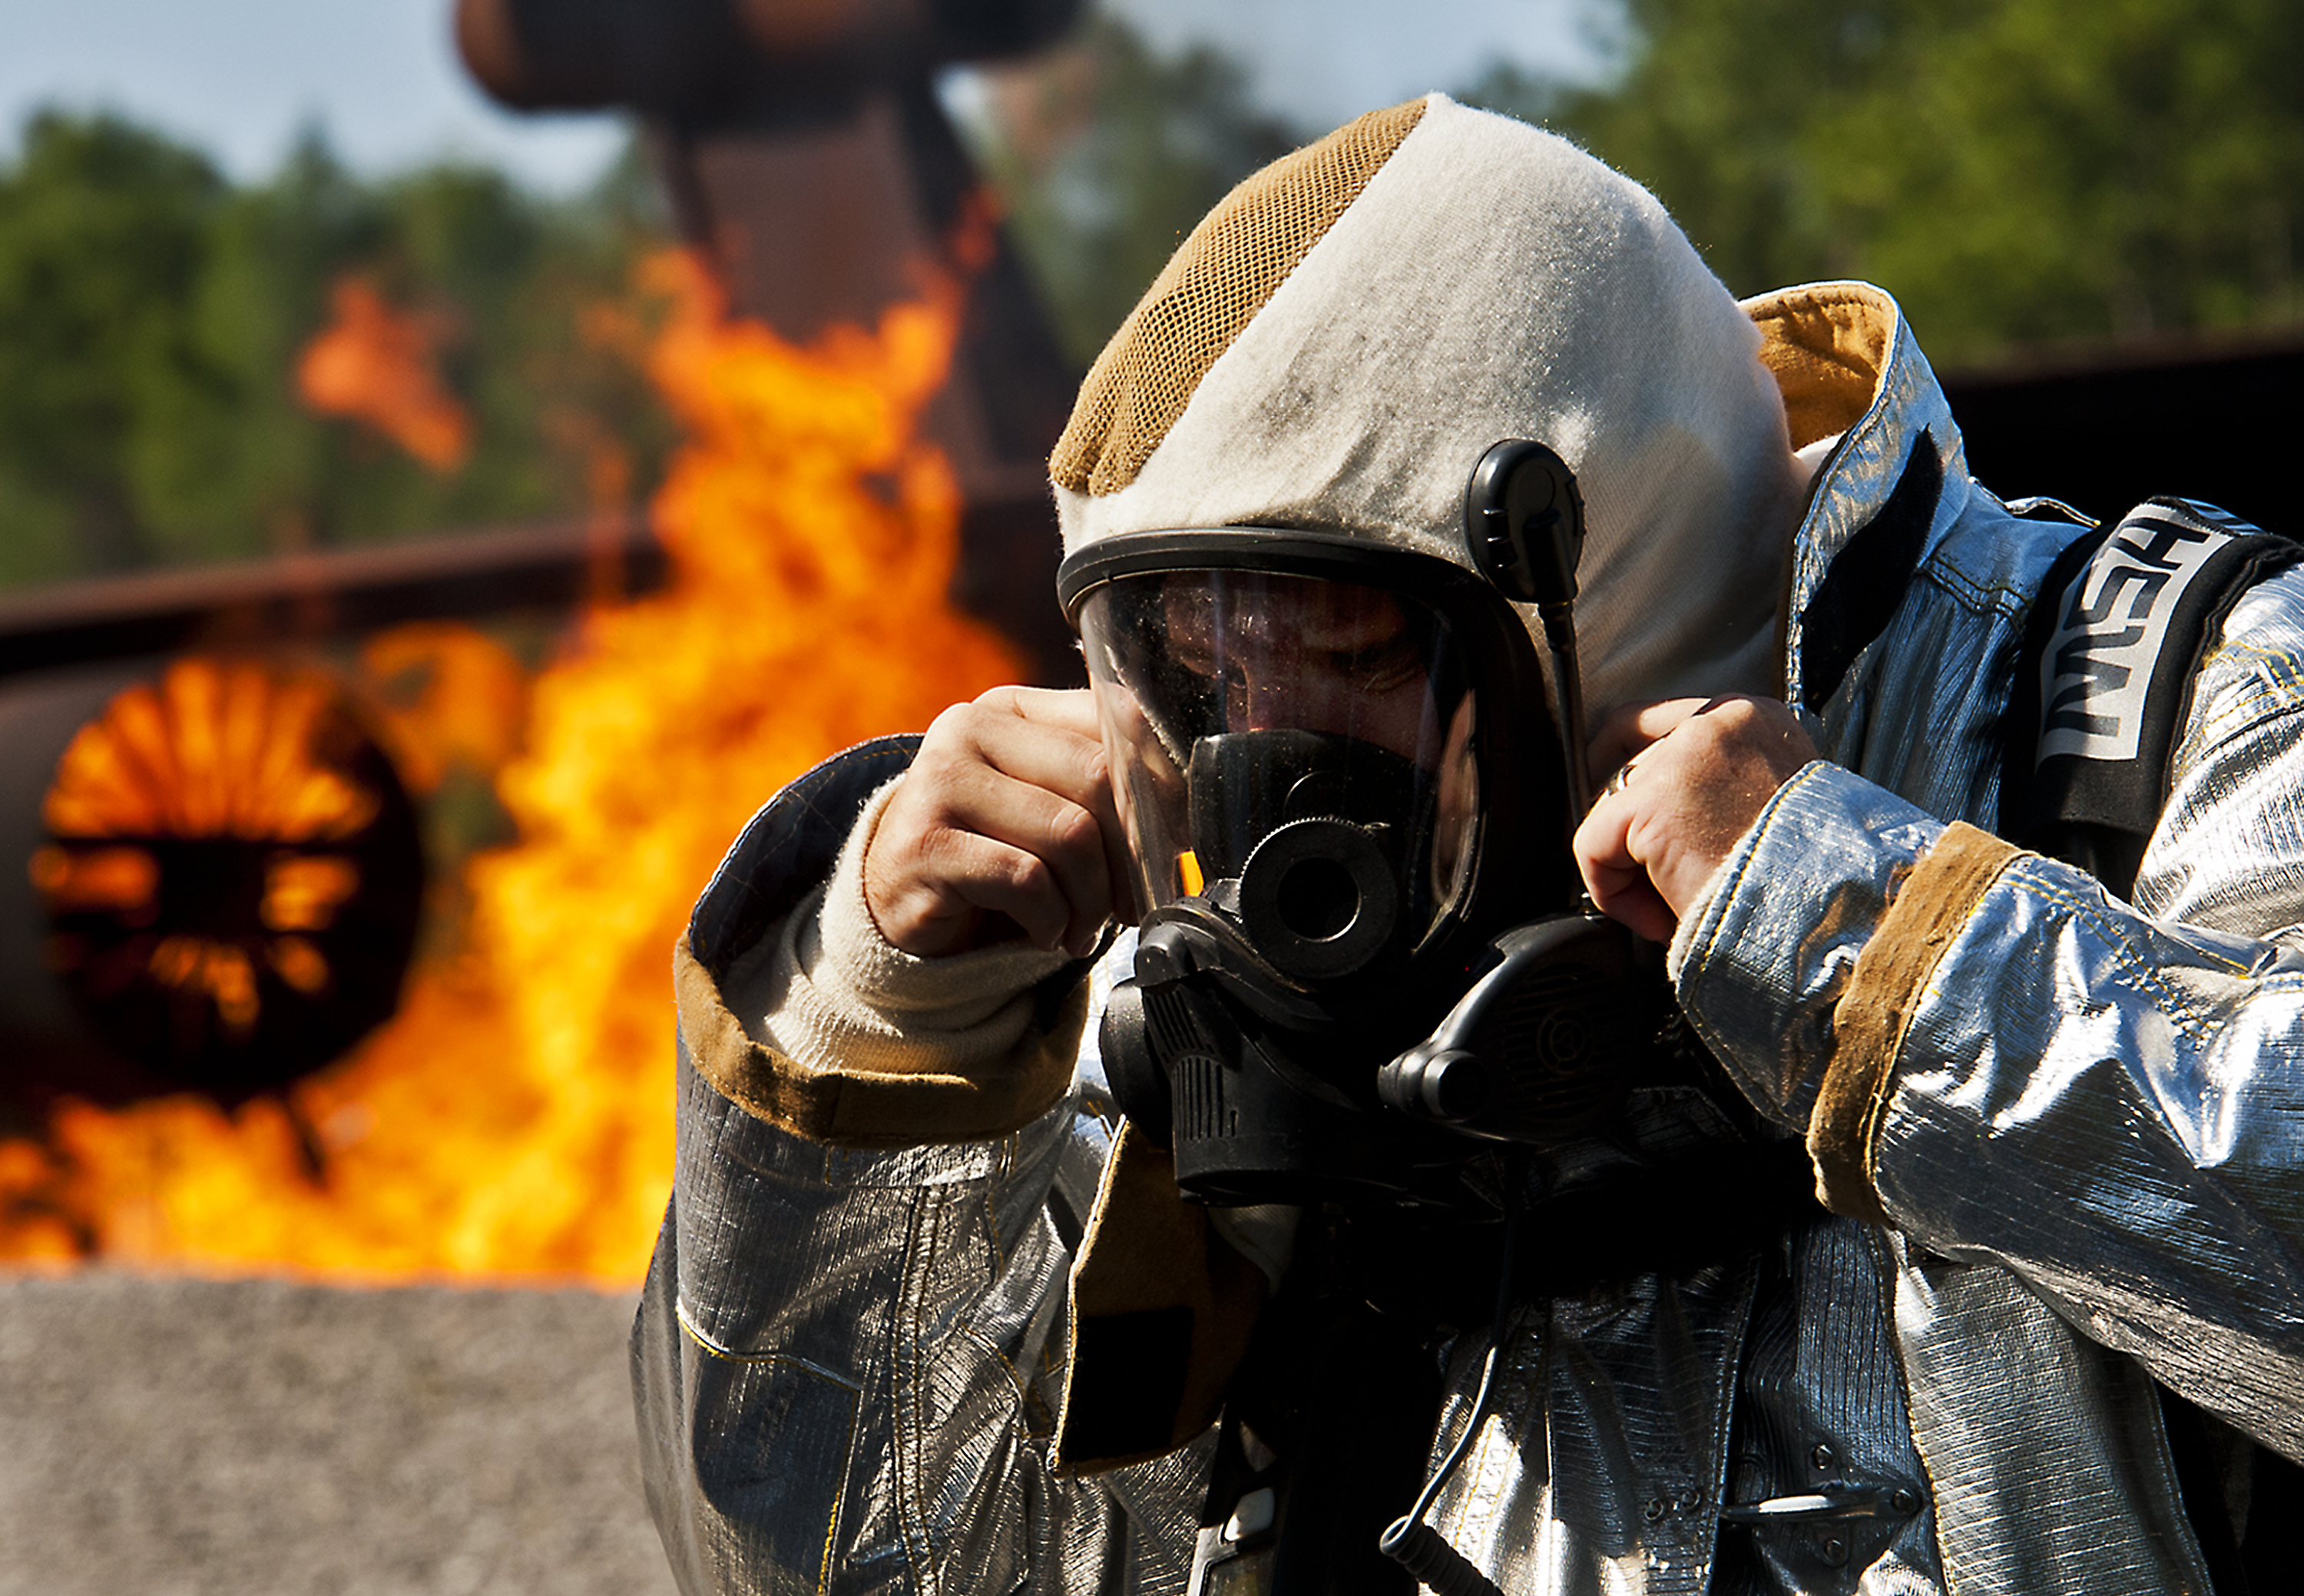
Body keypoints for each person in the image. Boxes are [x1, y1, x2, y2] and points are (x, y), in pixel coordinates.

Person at [632, 94, 2304, 1595]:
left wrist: (1859, 943)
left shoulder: (2173, 717)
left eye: (1353, 651)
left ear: (1623, 575)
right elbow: (839, 1566)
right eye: (1200, 673)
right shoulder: (1235, 1002)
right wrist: (873, 1034)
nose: (1276, 785)